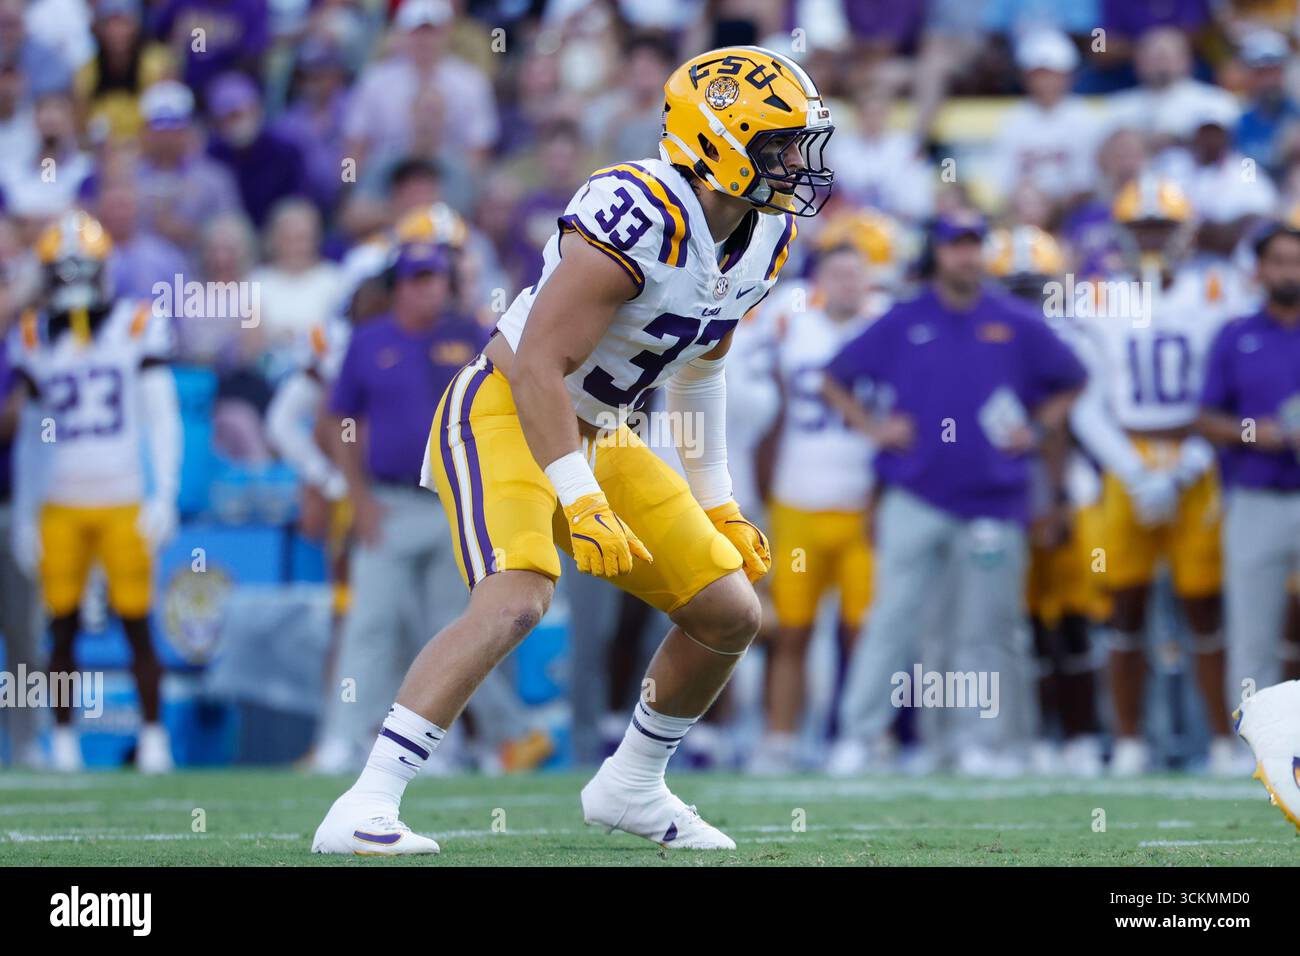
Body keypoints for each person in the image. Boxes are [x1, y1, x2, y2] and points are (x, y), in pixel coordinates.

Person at [313, 45, 833, 855]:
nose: (798, 163)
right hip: (506, 409)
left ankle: (631, 785)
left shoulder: (763, 238)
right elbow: (536, 368)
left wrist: (719, 499)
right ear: (717, 143)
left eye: (800, 142)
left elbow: (702, 371)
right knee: (518, 599)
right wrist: (579, 497)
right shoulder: (639, 211)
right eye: (779, 145)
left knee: (728, 613)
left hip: (602, 426)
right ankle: (365, 799)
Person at [821, 212, 1086, 777]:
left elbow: (1073, 379)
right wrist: (873, 427)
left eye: (973, 246)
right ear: (936, 254)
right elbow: (834, 376)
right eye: (955, 247)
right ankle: (860, 737)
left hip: (994, 497)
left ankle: (979, 741)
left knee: (984, 627)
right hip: (914, 491)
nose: (965, 257)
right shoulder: (905, 318)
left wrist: (1036, 430)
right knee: (891, 618)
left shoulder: (1014, 321)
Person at [1081, 176, 1246, 776]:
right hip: (1126, 460)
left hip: (1197, 460)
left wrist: (1187, 467)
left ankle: (1224, 743)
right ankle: (1128, 742)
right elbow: (1085, 402)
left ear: (1186, 233)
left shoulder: (1217, 290)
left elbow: (1232, 392)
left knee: (1206, 610)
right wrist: (1130, 470)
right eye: (1142, 228)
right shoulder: (1096, 297)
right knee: (1123, 608)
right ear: (1123, 234)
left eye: (1162, 228)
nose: (1152, 239)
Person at [7, 210, 181, 772]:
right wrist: (29, 514)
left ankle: (154, 738)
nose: (74, 279)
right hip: (60, 500)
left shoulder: (136, 323)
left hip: (122, 494)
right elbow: (34, 438)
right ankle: (61, 742)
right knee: (60, 627)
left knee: (136, 622)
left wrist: (164, 495)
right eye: (64, 269)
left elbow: (163, 417)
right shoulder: (33, 334)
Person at [750, 239, 884, 774]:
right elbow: (767, 411)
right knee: (791, 631)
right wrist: (758, 499)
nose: (849, 284)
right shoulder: (788, 318)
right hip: (796, 499)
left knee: (864, 631)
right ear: (819, 279)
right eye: (839, 273)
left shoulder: (884, 326)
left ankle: (859, 737)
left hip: (862, 502)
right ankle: (779, 739)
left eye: (858, 274)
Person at [1197, 222, 1300, 708]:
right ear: (1259, 270)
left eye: (1295, 261)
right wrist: (1251, 432)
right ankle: (1256, 755)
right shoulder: (1236, 335)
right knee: (1253, 633)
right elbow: (1205, 418)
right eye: (1278, 261)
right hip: (1257, 498)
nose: (1288, 272)